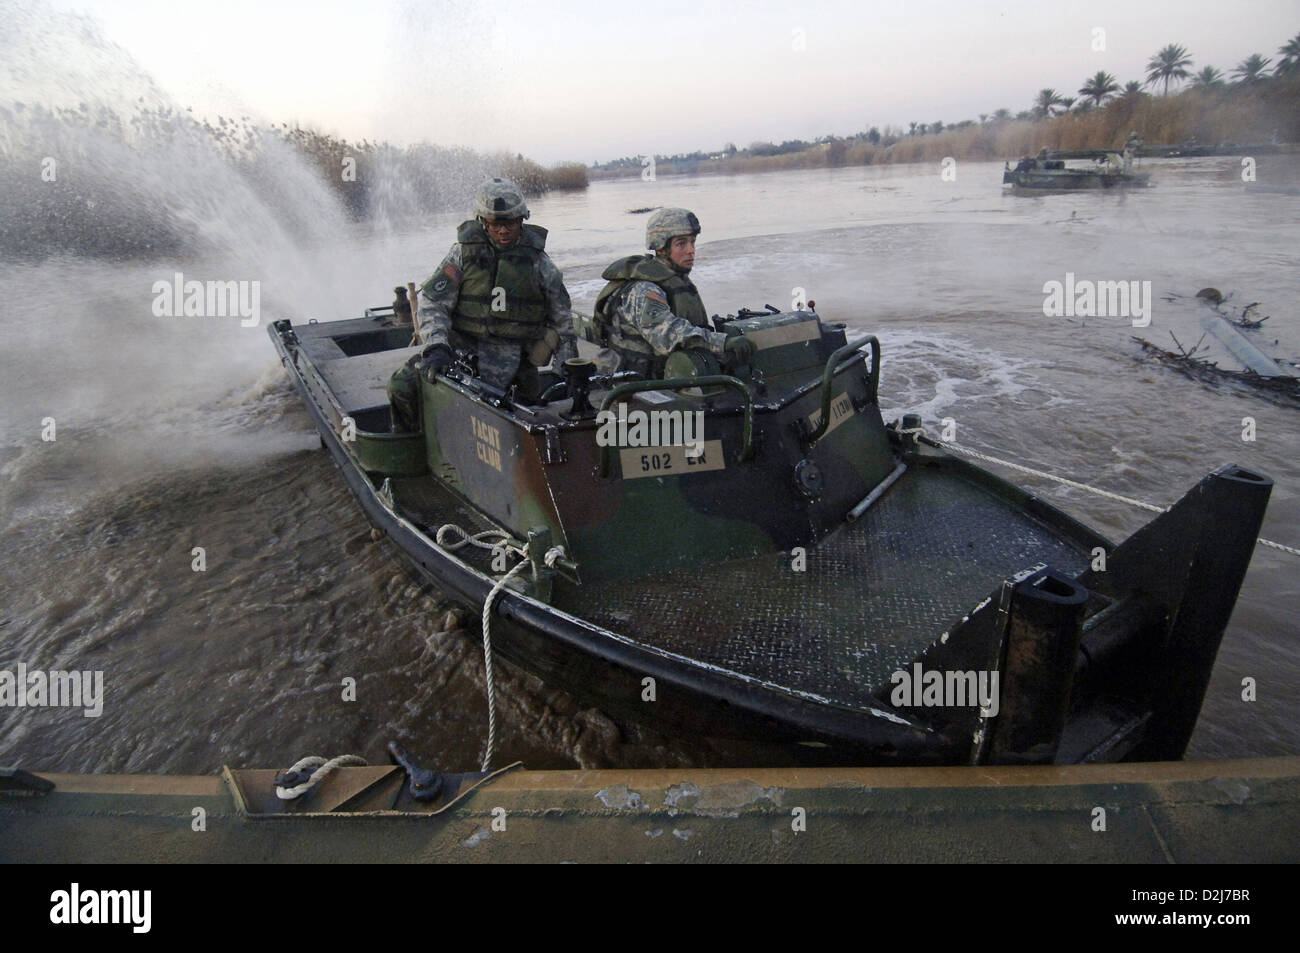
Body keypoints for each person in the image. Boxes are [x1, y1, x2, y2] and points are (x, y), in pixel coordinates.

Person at [388, 177, 576, 430]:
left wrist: (565, 371)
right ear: (483, 223)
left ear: (522, 220)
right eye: (495, 224)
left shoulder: (539, 264)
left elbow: (563, 321)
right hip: (460, 350)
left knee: (504, 419)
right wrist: (436, 346)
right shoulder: (463, 255)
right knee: (402, 386)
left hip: (514, 360)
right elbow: (433, 303)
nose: (503, 231)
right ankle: (409, 453)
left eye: (510, 223)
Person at [592, 207, 753, 378]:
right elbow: (668, 333)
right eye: (681, 244)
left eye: (692, 242)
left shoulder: (676, 279)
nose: (691, 250)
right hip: (632, 384)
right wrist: (722, 342)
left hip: (665, 375)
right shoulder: (644, 290)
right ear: (661, 248)